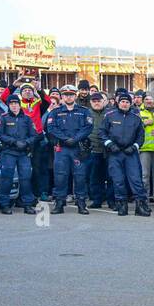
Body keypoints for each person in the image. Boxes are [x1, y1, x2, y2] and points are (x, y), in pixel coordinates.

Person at [43, 85, 92, 214]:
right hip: (62, 149)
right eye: (65, 95)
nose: (68, 97)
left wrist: (75, 139)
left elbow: (88, 127)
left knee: (80, 176)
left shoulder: (84, 111)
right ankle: (59, 203)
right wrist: (65, 139)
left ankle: (81, 203)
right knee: (60, 176)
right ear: (62, 97)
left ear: (75, 96)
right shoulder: (55, 112)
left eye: (71, 94)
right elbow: (51, 128)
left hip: (78, 149)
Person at [99, 90, 149, 216]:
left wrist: (134, 147)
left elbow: (141, 137)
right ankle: (121, 205)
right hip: (115, 153)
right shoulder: (110, 116)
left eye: (127, 102)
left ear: (130, 103)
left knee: (136, 180)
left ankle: (140, 206)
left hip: (130, 153)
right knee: (118, 180)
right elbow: (102, 133)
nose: (125, 104)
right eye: (122, 101)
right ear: (118, 102)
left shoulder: (136, 118)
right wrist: (110, 144)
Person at [0, 93, 38, 213]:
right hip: (8, 152)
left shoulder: (27, 119)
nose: (14, 106)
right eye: (11, 104)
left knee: (25, 178)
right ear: (8, 105)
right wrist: (14, 142)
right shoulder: (3, 118)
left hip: (23, 153)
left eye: (16, 103)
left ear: (20, 105)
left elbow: (34, 135)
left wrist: (26, 143)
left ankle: (27, 204)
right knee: (6, 178)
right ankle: (4, 204)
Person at [137, 92, 154, 206]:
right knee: (144, 176)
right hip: (144, 148)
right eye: (146, 99)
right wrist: (143, 123)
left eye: (151, 99)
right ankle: (145, 198)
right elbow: (132, 128)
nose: (149, 101)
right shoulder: (138, 113)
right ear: (143, 101)